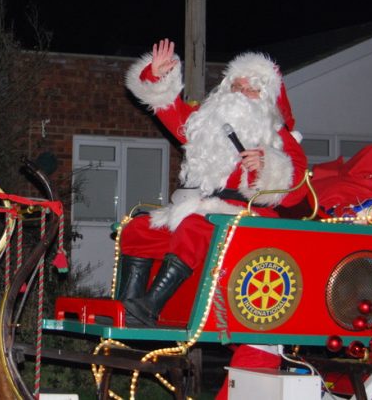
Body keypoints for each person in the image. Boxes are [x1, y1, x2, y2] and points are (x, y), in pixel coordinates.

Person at [121, 39, 309, 399]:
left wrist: (269, 166)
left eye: (251, 88)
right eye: (236, 86)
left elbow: (298, 190)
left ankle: (151, 305)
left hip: (246, 222)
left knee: (194, 226)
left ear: (267, 97)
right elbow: (168, 109)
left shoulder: (279, 137)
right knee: (140, 228)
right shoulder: (206, 124)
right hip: (199, 210)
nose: (241, 94)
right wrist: (157, 77)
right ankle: (129, 306)